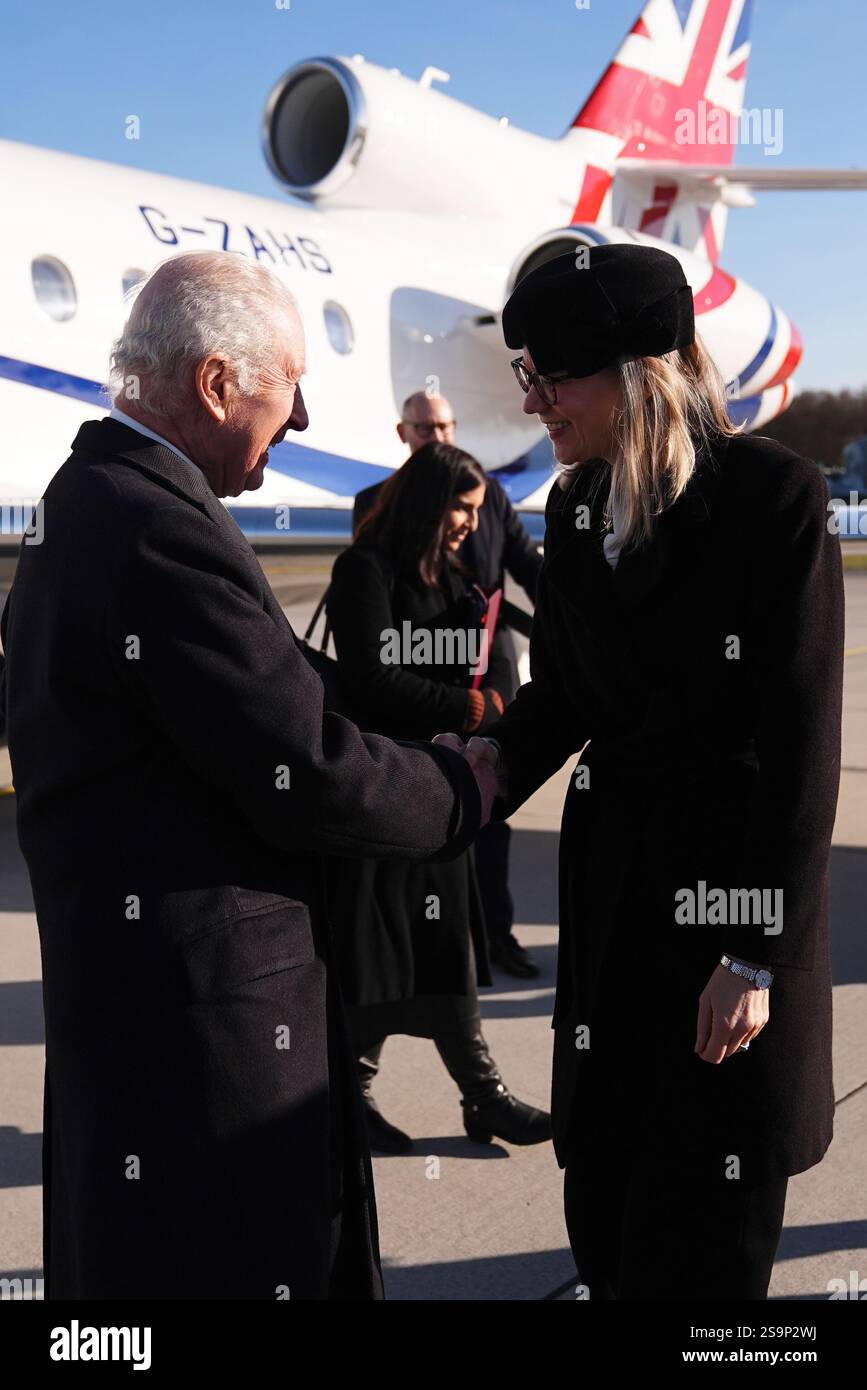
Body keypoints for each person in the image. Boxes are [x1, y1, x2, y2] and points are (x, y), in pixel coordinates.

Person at [0, 251, 498, 1301]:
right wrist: (463, 788)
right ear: (219, 383)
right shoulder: (149, 522)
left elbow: (276, 686)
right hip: (205, 1058)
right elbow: (305, 765)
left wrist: (416, 719)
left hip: (143, 1035)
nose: (306, 416)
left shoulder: (97, 499)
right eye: (290, 383)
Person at [439, 244, 843, 1300]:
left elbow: (799, 752)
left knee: (706, 1253)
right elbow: (568, 693)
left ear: (632, 373)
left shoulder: (774, 499)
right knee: (607, 1219)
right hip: (613, 928)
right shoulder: (575, 512)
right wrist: (485, 759)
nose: (531, 402)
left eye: (548, 376)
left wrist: (753, 954)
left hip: (726, 951)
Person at [325, 443, 551, 1153]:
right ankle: (351, 1095)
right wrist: (474, 710)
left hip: (441, 793)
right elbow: (371, 680)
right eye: (459, 507)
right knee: (380, 954)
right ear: (427, 500)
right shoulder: (364, 570)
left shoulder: (453, 575)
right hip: (384, 791)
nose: (467, 524)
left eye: (476, 512)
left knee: (445, 948)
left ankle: (479, 1095)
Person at [355, 391, 544, 979]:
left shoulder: (488, 497)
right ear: (402, 432)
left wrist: (575, 627)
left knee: (492, 815)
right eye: (424, 427)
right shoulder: (375, 504)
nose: (437, 436)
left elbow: (529, 569)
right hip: (422, 685)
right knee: (416, 812)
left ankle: (494, 935)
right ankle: (421, 949)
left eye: (445, 425)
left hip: (488, 681)